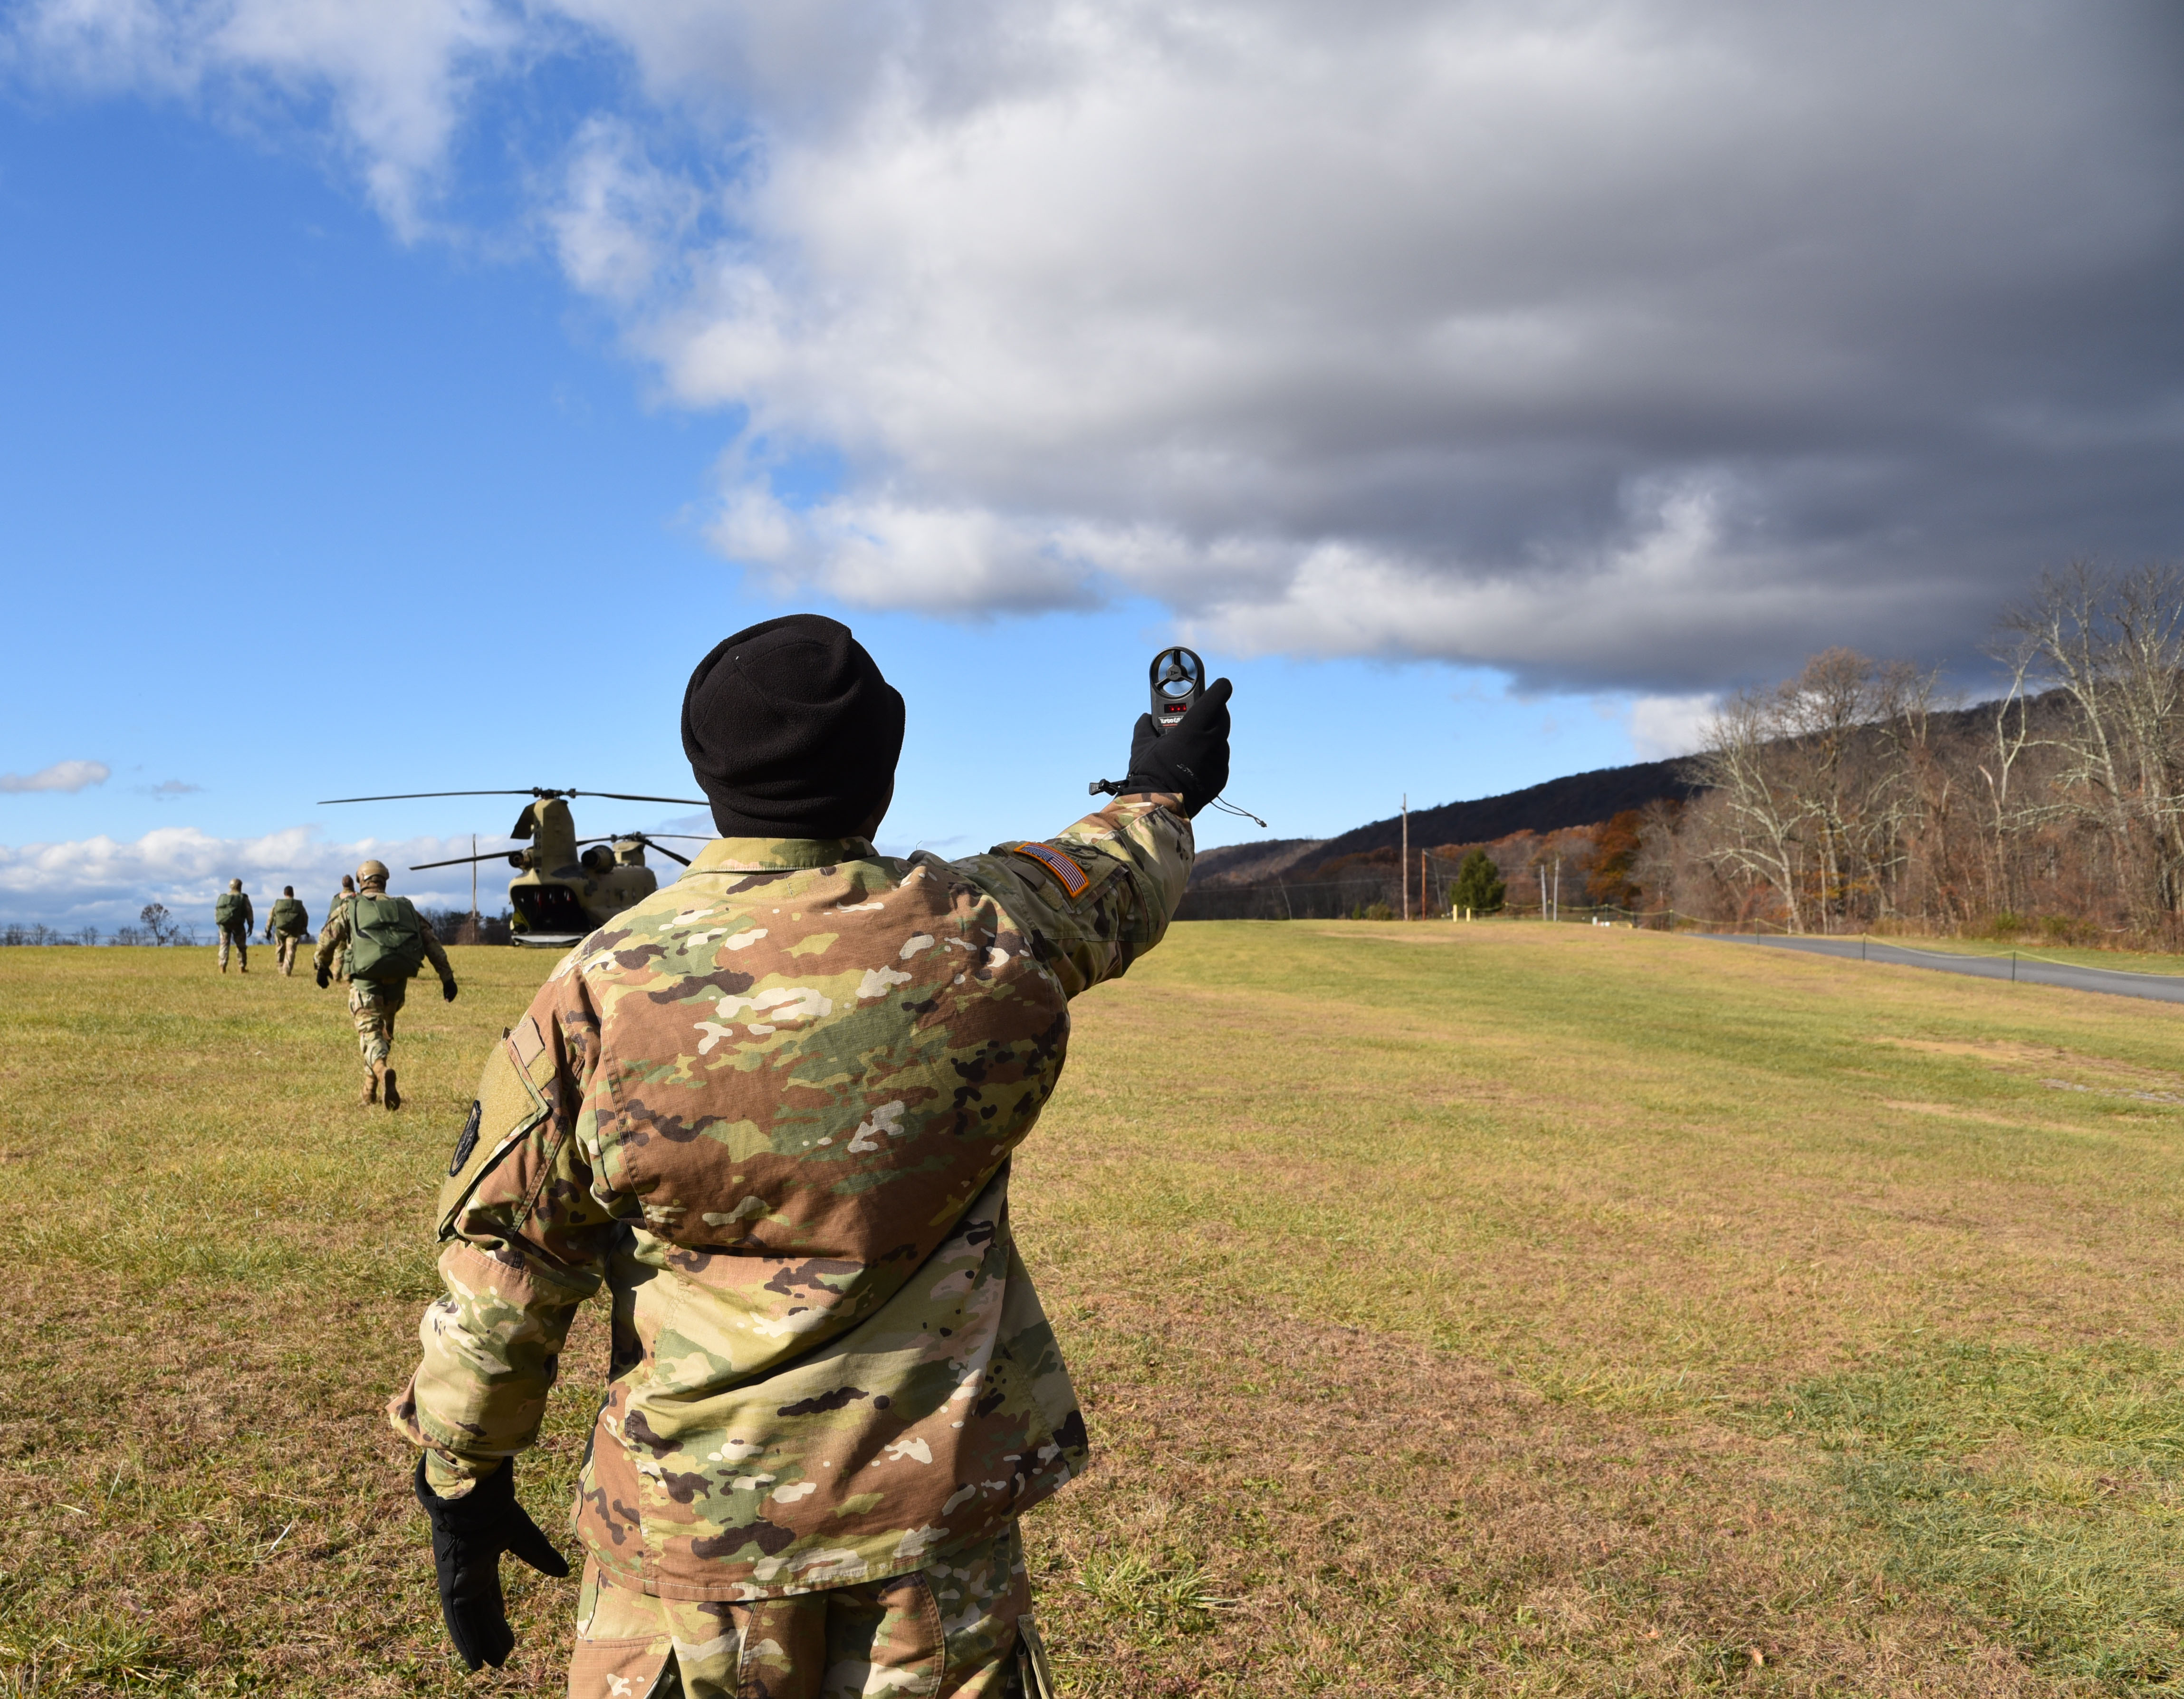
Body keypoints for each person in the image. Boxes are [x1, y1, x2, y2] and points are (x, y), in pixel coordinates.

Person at [390, 613, 1230, 1698]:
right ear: (882, 764)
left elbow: (508, 1260)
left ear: (706, 773)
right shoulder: (990, 928)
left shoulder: (601, 987)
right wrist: (1160, 784)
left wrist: (462, 1472)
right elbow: (1119, 869)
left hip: (692, 1549)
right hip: (935, 1549)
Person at [314, 860, 457, 1109]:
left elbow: (328, 937)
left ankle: (381, 1072)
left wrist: (321, 965)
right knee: (383, 1036)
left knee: (370, 1036)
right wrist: (447, 978)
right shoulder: (405, 908)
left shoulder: (351, 906)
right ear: (385, 880)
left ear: (362, 880)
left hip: (365, 985)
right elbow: (432, 943)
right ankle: (369, 1091)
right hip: (397, 986)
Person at [320, 874, 358, 983]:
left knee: (339, 954)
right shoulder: (357, 897)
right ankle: (348, 977)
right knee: (352, 954)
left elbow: (331, 915)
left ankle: (336, 976)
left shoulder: (336, 899)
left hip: (338, 930)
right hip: (352, 931)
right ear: (352, 884)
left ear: (343, 885)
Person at [268, 886, 311, 977]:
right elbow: (305, 917)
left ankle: (280, 969)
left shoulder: (278, 904)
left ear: (285, 894)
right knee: (290, 952)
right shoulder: (299, 905)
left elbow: (271, 916)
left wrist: (268, 929)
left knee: (279, 950)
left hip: (280, 931)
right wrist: (304, 928)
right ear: (293, 893)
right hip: (294, 932)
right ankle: (286, 972)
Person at [213, 878, 253, 974]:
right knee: (241, 947)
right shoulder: (243, 898)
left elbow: (217, 911)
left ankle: (222, 968)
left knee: (224, 946)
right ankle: (242, 968)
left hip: (224, 925)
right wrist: (250, 924)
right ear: (240, 886)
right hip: (238, 925)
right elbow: (249, 911)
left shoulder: (223, 897)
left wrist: (219, 923)